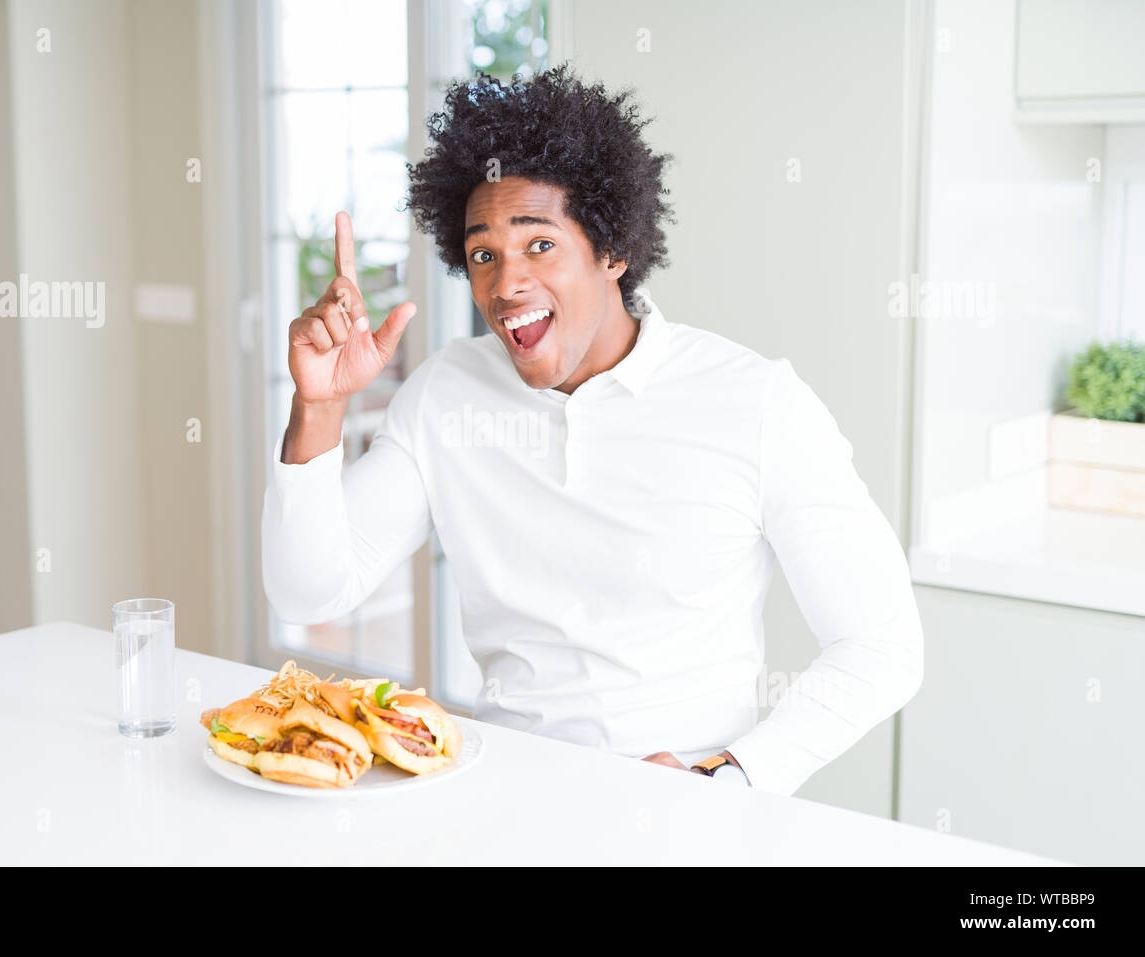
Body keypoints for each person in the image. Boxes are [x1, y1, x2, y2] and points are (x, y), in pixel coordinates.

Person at [262, 65, 923, 796]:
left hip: (689, 814)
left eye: (539, 243)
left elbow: (882, 643)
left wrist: (731, 774)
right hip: (503, 799)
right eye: (484, 253)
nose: (506, 282)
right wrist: (318, 407)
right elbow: (307, 593)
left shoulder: (756, 402)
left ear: (614, 251)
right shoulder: (448, 394)